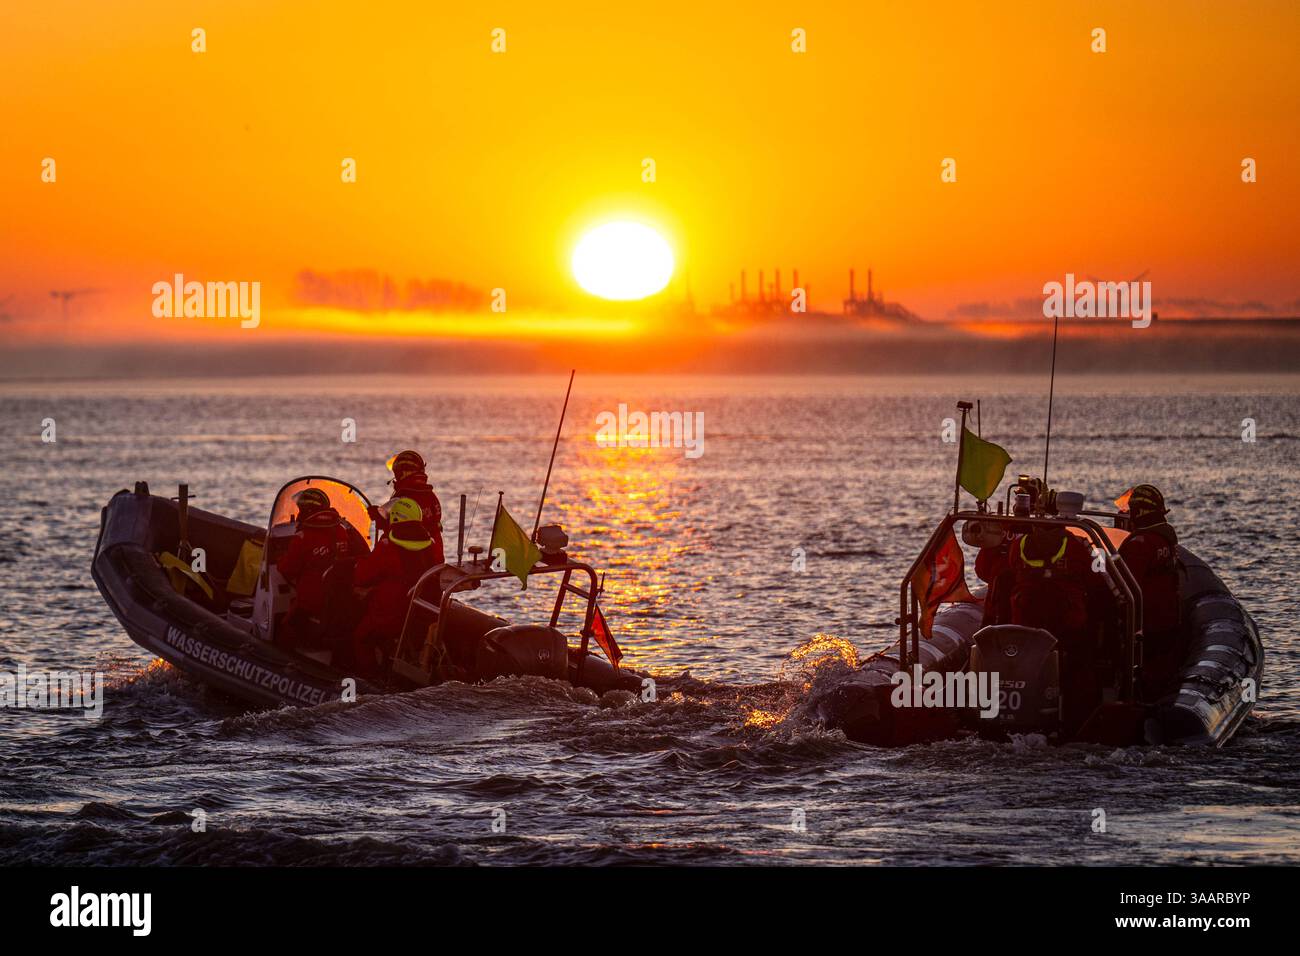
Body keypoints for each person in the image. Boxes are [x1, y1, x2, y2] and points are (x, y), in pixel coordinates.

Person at [352, 501, 440, 677]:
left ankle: (369, 678)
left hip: (391, 613)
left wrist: (357, 564)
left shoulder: (387, 546)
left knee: (360, 637)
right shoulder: (431, 544)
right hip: (421, 612)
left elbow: (361, 577)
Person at [1118, 484, 1183, 687]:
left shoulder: (1139, 545)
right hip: (1166, 623)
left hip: (1146, 627)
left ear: (1139, 512)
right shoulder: (1165, 539)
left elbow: (1122, 589)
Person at [278, 488, 359, 649]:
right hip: (338, 596)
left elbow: (287, 568)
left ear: (306, 510)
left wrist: (280, 559)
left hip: (311, 599)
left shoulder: (303, 537)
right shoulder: (341, 531)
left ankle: (287, 662)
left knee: (286, 626)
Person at [370, 449, 445, 564]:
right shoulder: (431, 496)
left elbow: (393, 527)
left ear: (402, 473)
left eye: (396, 474)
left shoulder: (403, 499)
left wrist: (375, 514)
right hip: (435, 559)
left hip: (410, 562)